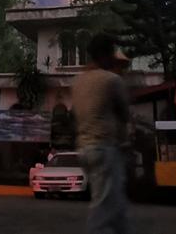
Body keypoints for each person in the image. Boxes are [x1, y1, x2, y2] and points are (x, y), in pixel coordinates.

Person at [72, 33, 131, 234]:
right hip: (104, 148)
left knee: (117, 205)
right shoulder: (111, 80)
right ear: (107, 55)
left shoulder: (78, 81)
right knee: (103, 210)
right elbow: (125, 113)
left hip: (84, 148)